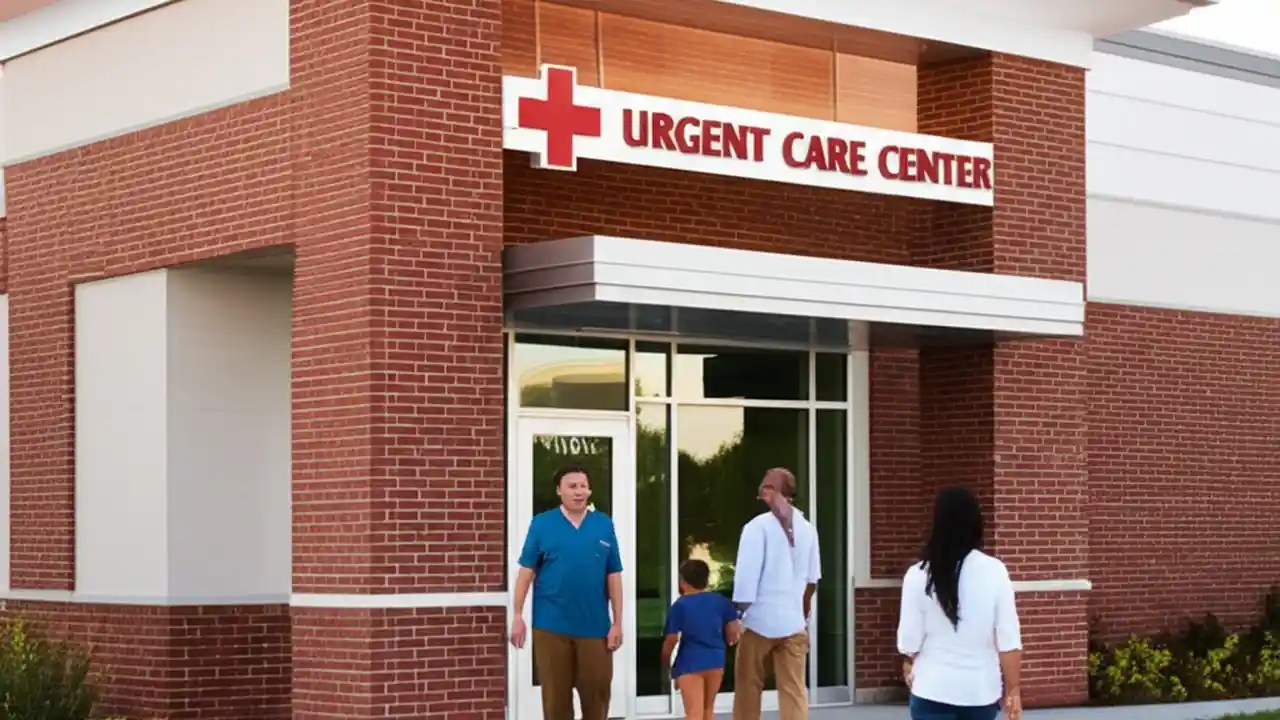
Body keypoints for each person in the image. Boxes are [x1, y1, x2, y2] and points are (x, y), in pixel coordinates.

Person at [897, 486, 1023, 720]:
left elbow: (909, 640)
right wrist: (1013, 690)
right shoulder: (995, 571)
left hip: (932, 690)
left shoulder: (917, 574)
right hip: (980, 692)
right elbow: (1008, 639)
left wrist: (909, 662)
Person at [510, 464, 624, 720]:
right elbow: (525, 572)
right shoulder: (542, 524)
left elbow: (614, 575)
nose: (578, 492)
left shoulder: (603, 525)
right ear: (559, 490)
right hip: (552, 626)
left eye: (583, 486)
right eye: (572, 486)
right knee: (556, 701)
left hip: (595, 627)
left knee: (597, 696)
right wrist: (517, 616)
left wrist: (617, 623)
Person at [730, 467, 821, 720]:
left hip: (758, 621)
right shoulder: (808, 529)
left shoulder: (756, 528)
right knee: (793, 690)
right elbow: (812, 581)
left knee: (749, 686)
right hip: (794, 622)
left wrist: (737, 616)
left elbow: (747, 579)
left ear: (771, 492)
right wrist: (805, 622)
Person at [660, 559, 742, 720]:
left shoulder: (680, 606)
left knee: (694, 713)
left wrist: (665, 663)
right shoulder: (721, 602)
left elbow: (671, 640)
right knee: (707, 711)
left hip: (690, 663)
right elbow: (733, 633)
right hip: (716, 661)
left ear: (682, 581)